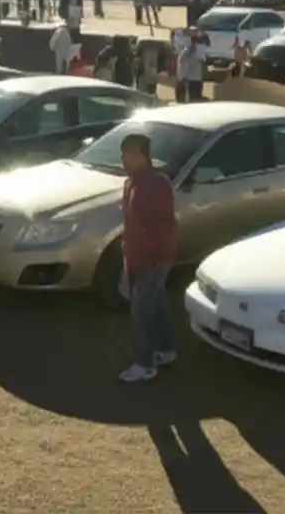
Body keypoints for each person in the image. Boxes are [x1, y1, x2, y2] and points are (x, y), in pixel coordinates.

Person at [117, 133, 178, 384]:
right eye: (123, 155)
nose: (125, 160)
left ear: (144, 155)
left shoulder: (156, 184)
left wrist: (156, 257)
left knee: (141, 312)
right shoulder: (131, 183)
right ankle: (166, 350)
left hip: (153, 260)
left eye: (130, 155)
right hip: (138, 257)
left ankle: (144, 363)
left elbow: (163, 227)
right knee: (157, 303)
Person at [175, 29, 206, 103]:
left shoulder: (199, 48)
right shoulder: (187, 48)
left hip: (195, 76)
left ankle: (197, 97)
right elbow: (182, 60)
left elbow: (202, 59)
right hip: (188, 75)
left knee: (195, 93)